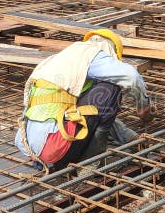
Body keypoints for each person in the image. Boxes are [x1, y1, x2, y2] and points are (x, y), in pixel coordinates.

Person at [15, 29, 154, 172]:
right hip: (56, 146)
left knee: (96, 99)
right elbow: (132, 77)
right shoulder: (93, 55)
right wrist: (143, 106)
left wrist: (128, 137)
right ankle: (90, 163)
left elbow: (90, 112)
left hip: (33, 151)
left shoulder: (57, 62)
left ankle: (65, 160)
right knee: (111, 89)